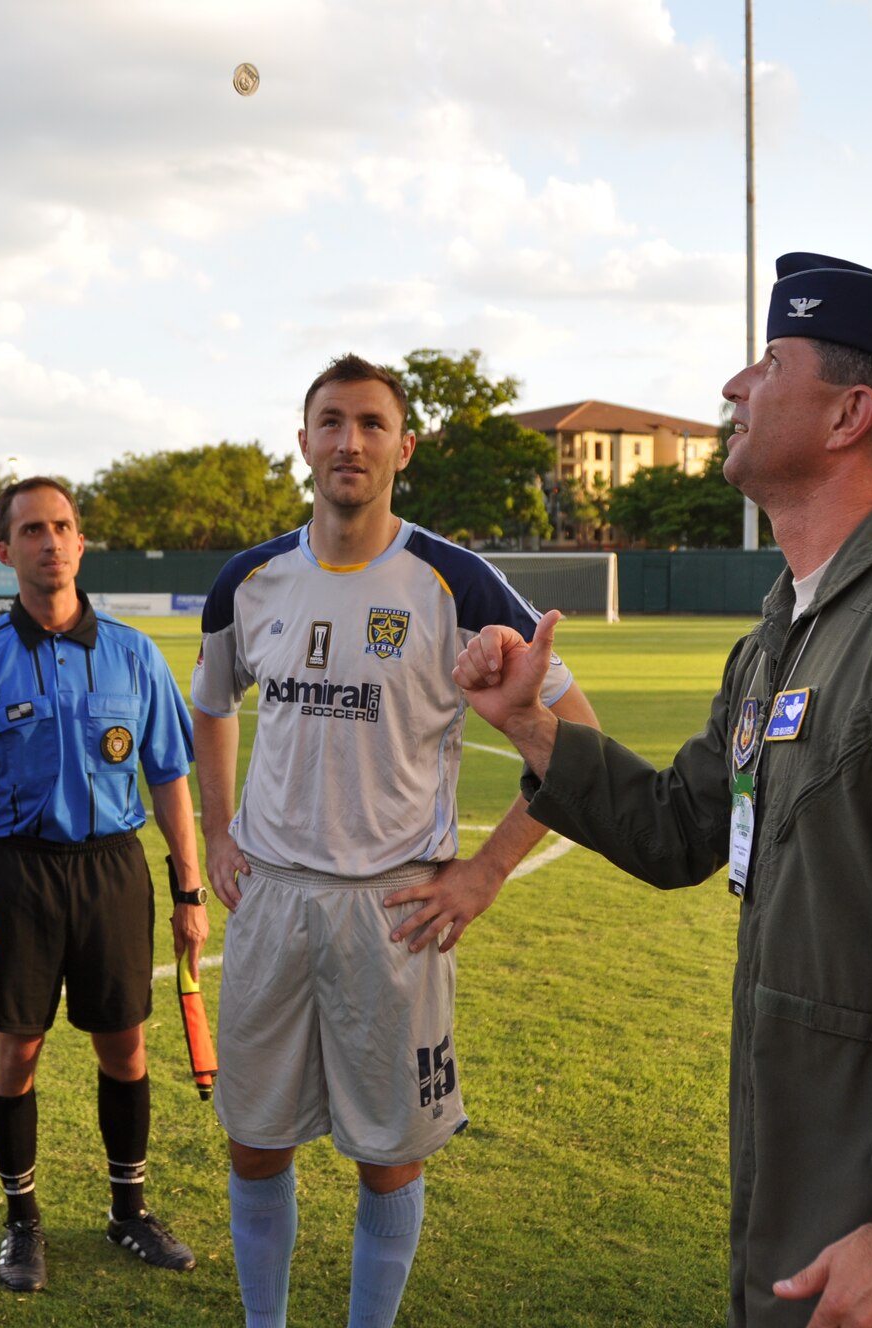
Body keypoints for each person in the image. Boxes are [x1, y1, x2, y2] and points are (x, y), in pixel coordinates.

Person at [452, 253, 872, 1328]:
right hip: (805, 1144)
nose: (734, 388)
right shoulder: (780, 631)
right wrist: (529, 723)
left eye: (766, 361)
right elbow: (679, 828)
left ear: (847, 412)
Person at [191, 353, 601, 1328]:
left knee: (390, 1154)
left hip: (394, 906)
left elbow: (578, 737)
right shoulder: (247, 580)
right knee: (254, 1140)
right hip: (273, 896)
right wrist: (217, 825)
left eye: (371, 423)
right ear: (301, 441)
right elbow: (210, 704)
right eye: (329, 421)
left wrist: (486, 869)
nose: (349, 441)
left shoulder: (453, 581)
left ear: (402, 446)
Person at [0, 477, 206, 1293]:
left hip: (113, 870)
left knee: (125, 1044)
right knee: (16, 1049)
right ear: (5, 552)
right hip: (19, 871)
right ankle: (21, 1220)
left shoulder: (134, 654)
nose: (51, 542)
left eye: (63, 526)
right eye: (32, 530)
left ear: (81, 541)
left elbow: (169, 776)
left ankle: (128, 1209)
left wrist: (190, 892)